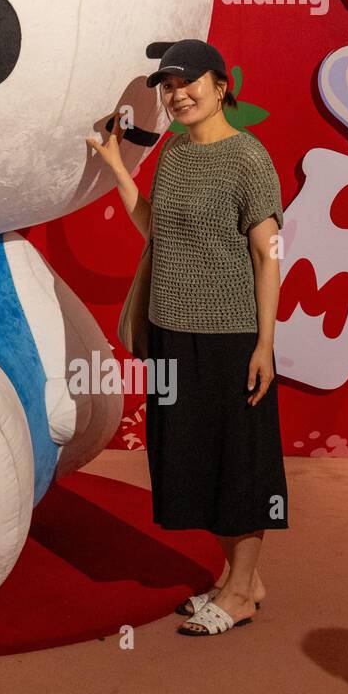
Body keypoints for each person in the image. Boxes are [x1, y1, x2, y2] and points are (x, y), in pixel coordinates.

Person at [86, 39, 287, 638]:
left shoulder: (249, 157)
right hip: (172, 331)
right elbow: (154, 228)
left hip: (231, 336)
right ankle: (241, 581)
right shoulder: (173, 156)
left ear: (221, 86)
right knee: (194, 461)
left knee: (237, 463)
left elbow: (267, 254)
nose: (177, 94)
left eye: (188, 81)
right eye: (167, 86)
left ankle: (242, 595)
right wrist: (117, 164)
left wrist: (265, 344)